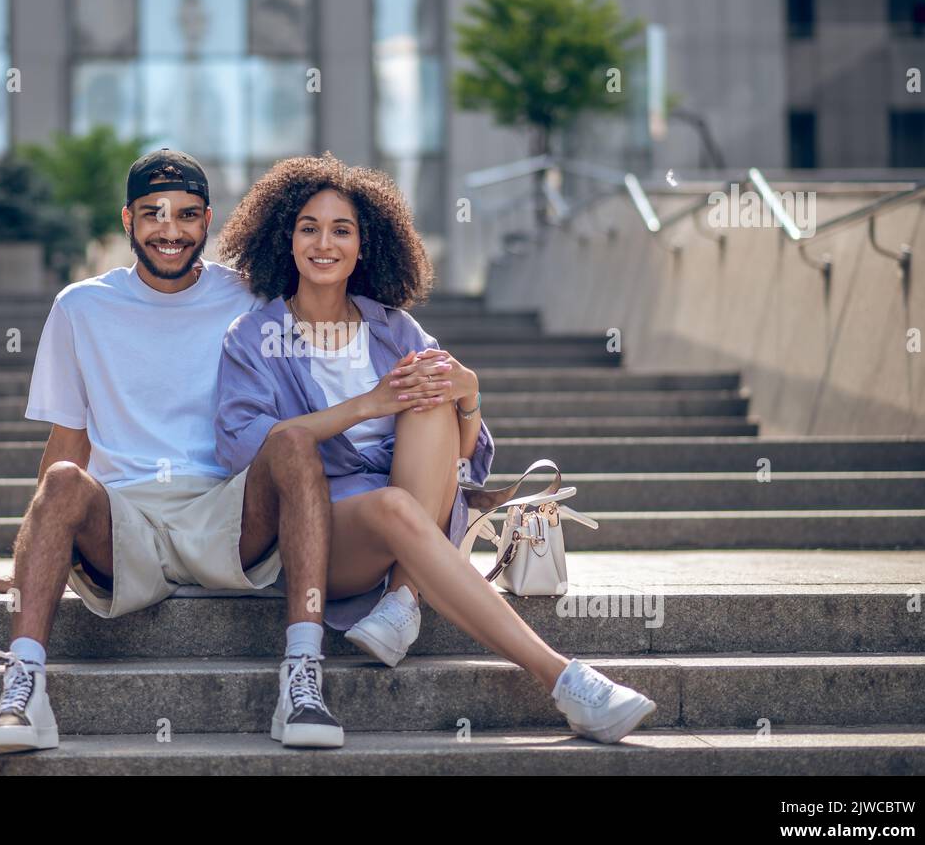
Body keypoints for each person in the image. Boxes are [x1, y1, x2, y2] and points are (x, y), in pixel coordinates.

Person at [213, 152, 658, 744]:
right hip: (316, 531)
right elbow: (245, 449)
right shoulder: (255, 335)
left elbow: (463, 456)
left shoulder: (392, 328)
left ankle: (403, 595)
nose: (325, 243)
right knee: (396, 489)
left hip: (407, 509)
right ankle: (563, 678)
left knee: (432, 391)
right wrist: (368, 404)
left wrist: (469, 396)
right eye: (309, 228)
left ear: (364, 245)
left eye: (341, 230)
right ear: (286, 240)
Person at [0, 149, 345, 755]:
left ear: (208, 221)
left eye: (186, 215)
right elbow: (67, 441)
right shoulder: (79, 307)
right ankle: (22, 693)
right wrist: (34, 554)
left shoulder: (249, 299)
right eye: (153, 214)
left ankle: (302, 680)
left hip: (225, 512)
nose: (169, 230)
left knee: (294, 441)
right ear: (127, 220)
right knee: (67, 478)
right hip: (125, 526)